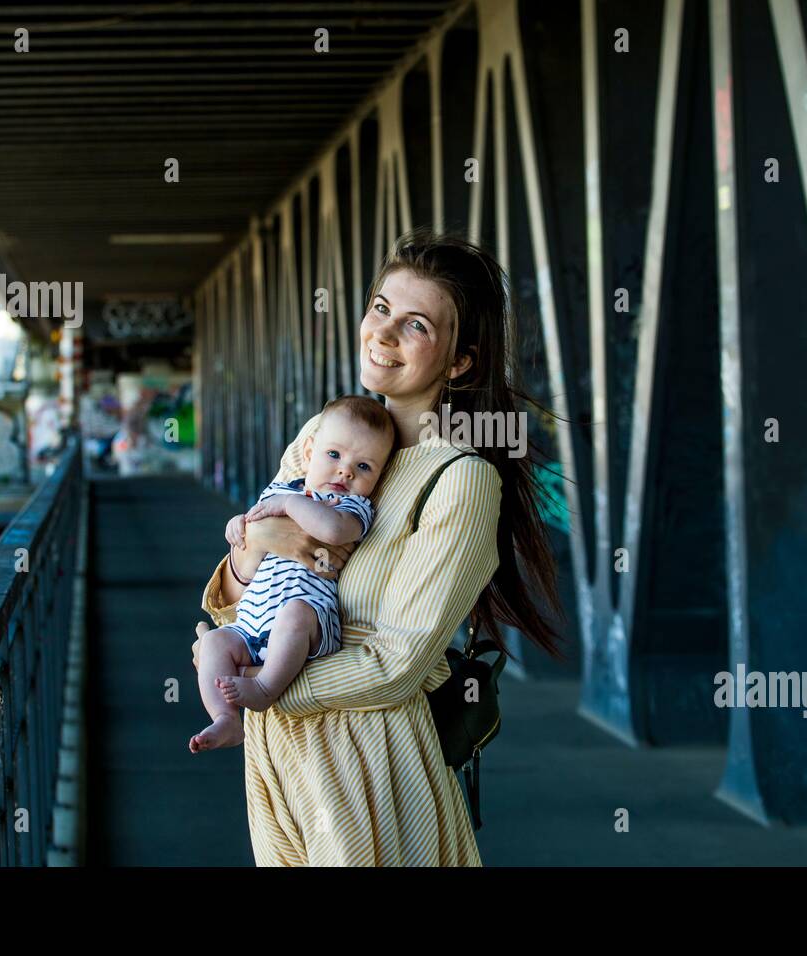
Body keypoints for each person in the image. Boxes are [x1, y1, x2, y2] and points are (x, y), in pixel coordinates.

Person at [193, 227, 565, 866]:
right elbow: (245, 593)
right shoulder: (326, 433)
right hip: (277, 757)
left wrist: (257, 684)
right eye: (380, 308)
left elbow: (398, 662)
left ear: (460, 361)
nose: (384, 333)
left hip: (372, 766)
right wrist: (253, 560)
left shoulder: (460, 478)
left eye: (416, 325)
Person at [188, 395, 395, 753]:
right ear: (310, 450)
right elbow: (251, 530)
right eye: (334, 455)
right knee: (214, 643)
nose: (345, 471)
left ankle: (267, 687)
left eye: (364, 467)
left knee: (295, 615)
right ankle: (225, 719)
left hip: (308, 621)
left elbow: (331, 532)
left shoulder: (351, 506)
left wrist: (287, 506)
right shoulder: (283, 488)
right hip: (252, 620)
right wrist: (239, 525)